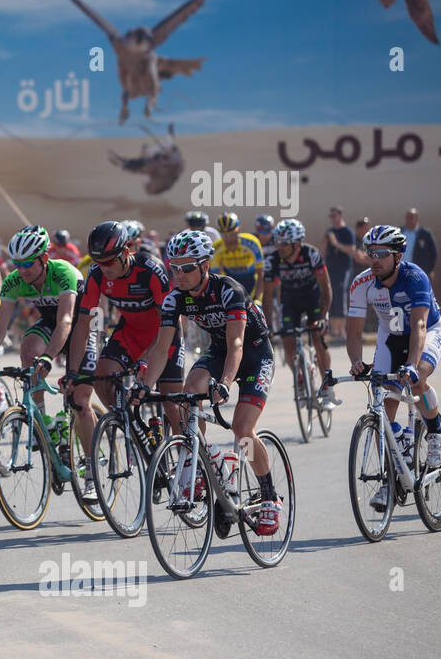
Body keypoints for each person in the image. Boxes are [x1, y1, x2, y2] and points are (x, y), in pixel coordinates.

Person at [137, 230, 282, 535]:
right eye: (173, 267)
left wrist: (226, 383)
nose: (179, 274)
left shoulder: (229, 291)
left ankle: (269, 496)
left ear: (205, 265)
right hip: (219, 351)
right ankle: (203, 460)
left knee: (242, 431)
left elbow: (238, 345)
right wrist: (145, 386)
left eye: (187, 268)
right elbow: (162, 348)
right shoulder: (175, 298)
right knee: (188, 393)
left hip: (254, 354)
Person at [67, 221, 186, 499]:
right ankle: (131, 425)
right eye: (98, 261)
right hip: (130, 332)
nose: (104, 267)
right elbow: (84, 326)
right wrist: (74, 374)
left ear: (127, 249)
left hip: (163, 334)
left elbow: (169, 320)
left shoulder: (150, 269)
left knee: (172, 405)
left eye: (109, 260)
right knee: (100, 377)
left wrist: (149, 364)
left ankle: (189, 467)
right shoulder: (97, 274)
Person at [346, 225, 441, 507]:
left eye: (381, 254)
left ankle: (436, 433)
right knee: (383, 407)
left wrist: (413, 365)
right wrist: (355, 360)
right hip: (390, 337)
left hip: (426, 333)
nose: (374, 259)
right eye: (370, 253)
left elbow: (420, 325)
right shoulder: (361, 283)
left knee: (416, 379)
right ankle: (392, 478)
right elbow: (353, 333)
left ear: (398, 256)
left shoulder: (415, 277)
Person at [0, 226, 86, 420]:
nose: (22, 270)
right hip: (51, 322)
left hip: (80, 325)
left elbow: (65, 320)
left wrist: (48, 357)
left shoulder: (64, 273)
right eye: (18, 264)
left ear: (45, 259)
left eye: (29, 263)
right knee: (28, 349)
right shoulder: (14, 281)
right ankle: (40, 421)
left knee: (79, 400)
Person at [261, 218, 337, 406]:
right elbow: (268, 296)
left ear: (296, 244)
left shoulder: (311, 254)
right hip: (290, 301)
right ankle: (301, 379)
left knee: (318, 339)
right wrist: (268, 326)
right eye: (277, 242)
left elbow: (326, 287)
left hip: (313, 299)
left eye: (284, 243)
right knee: (288, 345)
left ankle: (327, 387)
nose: (280, 247)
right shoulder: (272, 260)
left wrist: (323, 317)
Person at [210, 212, 265, 300]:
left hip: (251, 281)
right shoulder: (216, 248)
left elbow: (261, 273)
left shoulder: (252, 243)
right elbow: (216, 278)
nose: (228, 238)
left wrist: (257, 298)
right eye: (223, 235)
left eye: (231, 234)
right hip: (231, 283)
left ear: (239, 230)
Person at [325, 206, 355, 340]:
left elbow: (352, 249)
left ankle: (341, 330)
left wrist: (336, 243)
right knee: (331, 296)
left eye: (334, 215)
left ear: (340, 215)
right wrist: (327, 242)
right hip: (331, 268)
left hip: (343, 269)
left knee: (341, 295)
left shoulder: (347, 231)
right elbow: (323, 250)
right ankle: (334, 330)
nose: (332, 219)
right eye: (330, 216)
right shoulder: (330, 231)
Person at [404, 208, 438, 287]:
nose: (409, 220)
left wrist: (430, 270)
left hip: (418, 272)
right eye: (407, 217)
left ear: (417, 219)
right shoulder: (400, 232)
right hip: (401, 271)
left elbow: (433, 253)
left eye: (411, 217)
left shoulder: (425, 234)